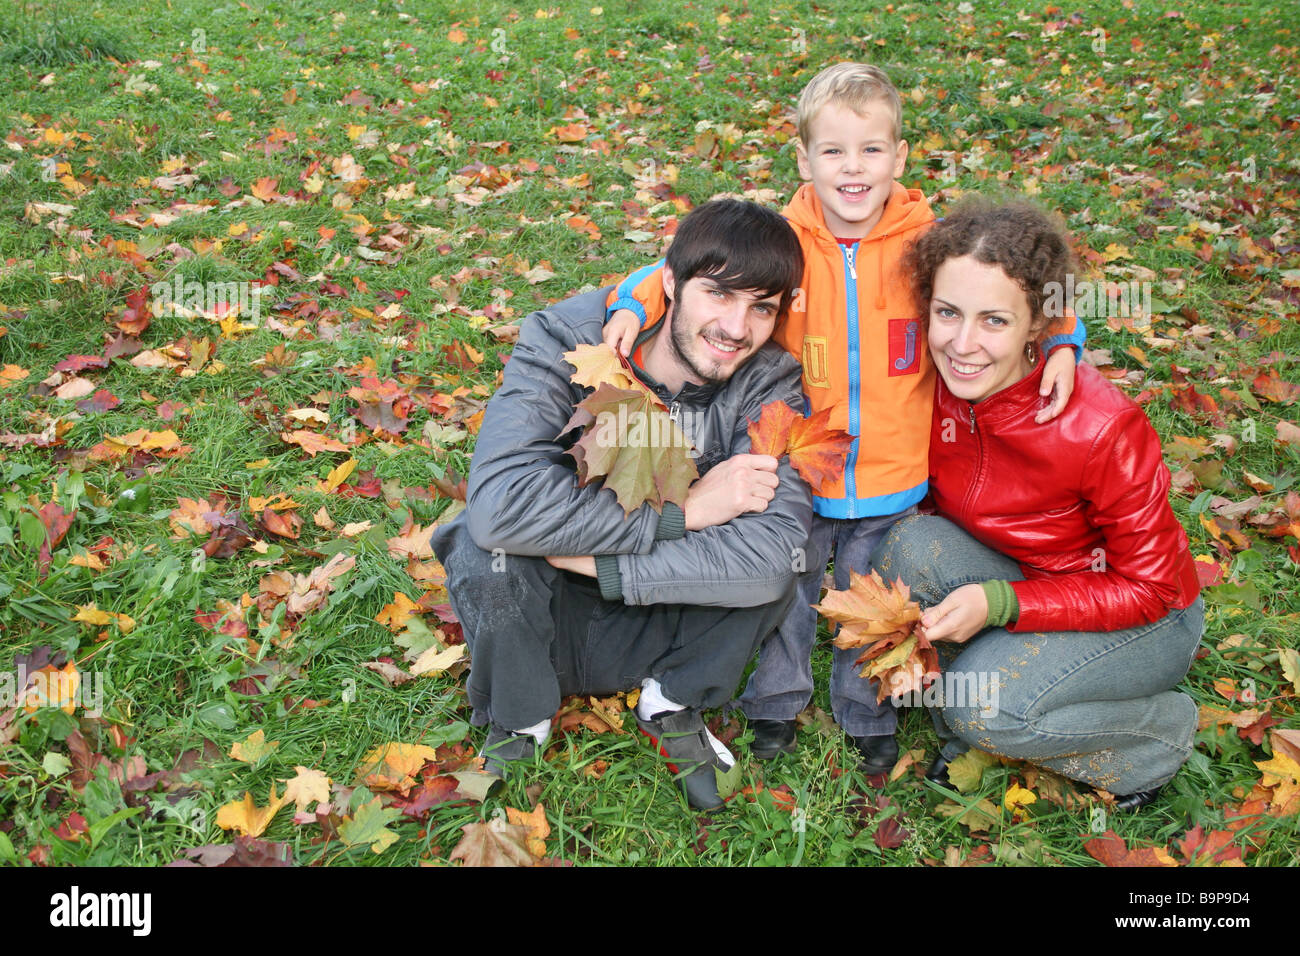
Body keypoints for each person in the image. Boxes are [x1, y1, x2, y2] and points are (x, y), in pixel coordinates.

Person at [601, 63, 1087, 772]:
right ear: (804, 160)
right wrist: (629, 306)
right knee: (787, 595)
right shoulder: (786, 241)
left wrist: (1066, 340)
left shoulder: (931, 243)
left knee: (875, 600)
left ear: (899, 157)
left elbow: (1021, 281)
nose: (852, 169)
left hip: (893, 475)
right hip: (797, 469)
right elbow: (676, 268)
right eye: (833, 152)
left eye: (870, 151)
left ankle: (868, 714)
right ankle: (774, 705)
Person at [432, 199, 813, 812]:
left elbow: (770, 552)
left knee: (781, 564)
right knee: (488, 548)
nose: (738, 328)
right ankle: (523, 715)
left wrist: (599, 561)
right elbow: (502, 505)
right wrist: (681, 512)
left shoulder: (769, 381)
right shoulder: (567, 339)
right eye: (718, 295)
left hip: (666, 606)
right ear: (670, 283)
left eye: (761, 307)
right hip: (546, 612)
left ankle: (671, 698)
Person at [871, 197, 1204, 810]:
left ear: (1038, 326)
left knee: (980, 700)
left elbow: (1152, 590)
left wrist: (999, 601)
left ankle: (1157, 736)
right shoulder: (934, 383)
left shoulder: (1102, 428)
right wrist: (638, 297)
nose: (962, 344)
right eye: (947, 313)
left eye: (994, 321)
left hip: (1144, 618)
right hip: (1030, 570)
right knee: (907, 546)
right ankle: (976, 719)